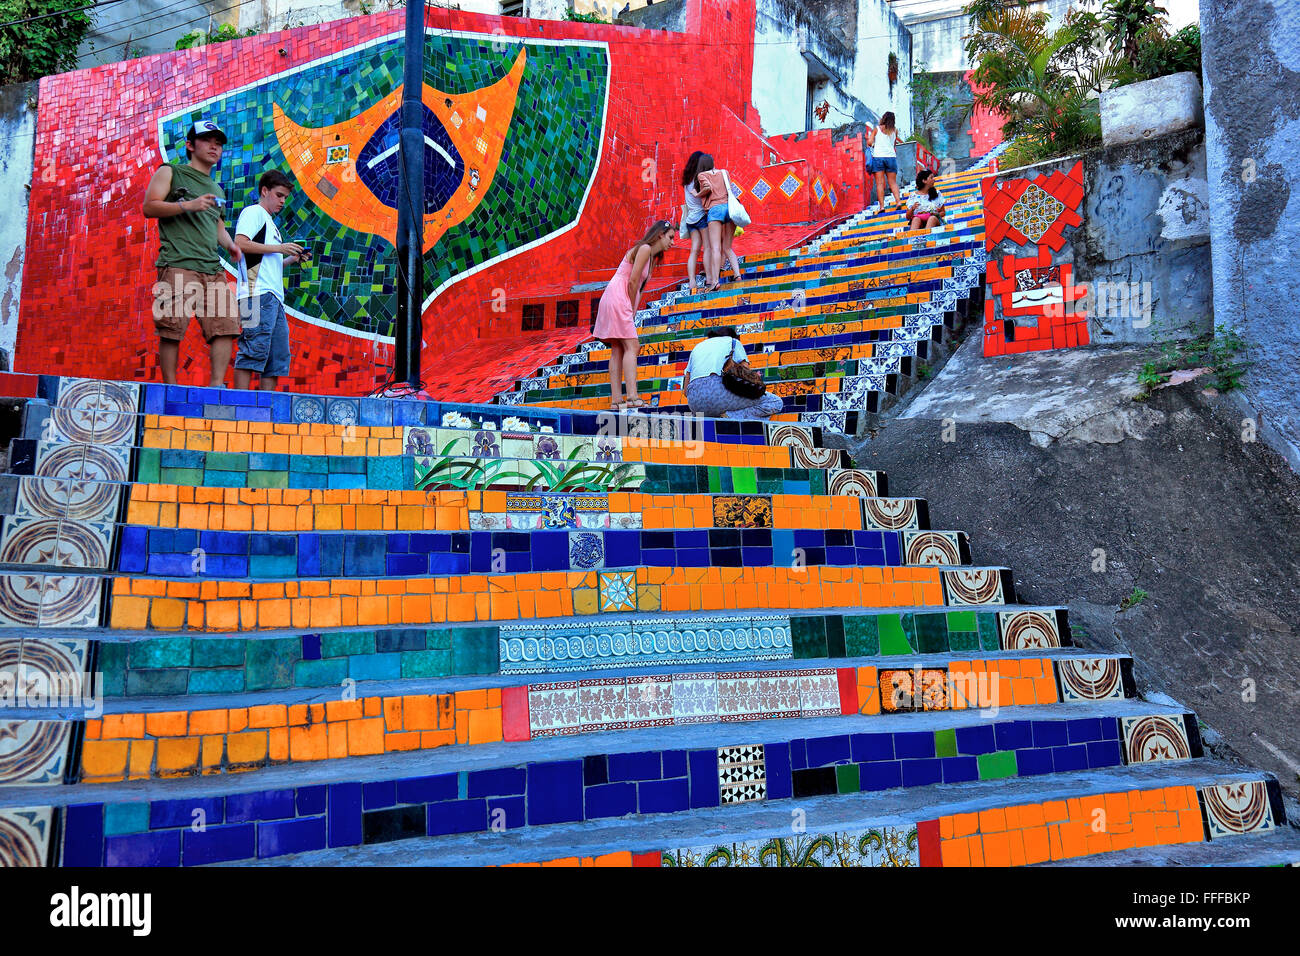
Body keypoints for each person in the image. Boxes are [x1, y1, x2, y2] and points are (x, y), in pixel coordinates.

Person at [143, 119, 244, 386]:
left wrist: (230, 245)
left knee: (226, 326)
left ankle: (216, 387)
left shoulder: (216, 189)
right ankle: (170, 388)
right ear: (189, 145)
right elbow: (150, 207)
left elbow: (217, 225)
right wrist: (187, 205)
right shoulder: (171, 171)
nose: (215, 146)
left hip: (212, 268)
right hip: (178, 263)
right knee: (171, 329)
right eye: (208, 140)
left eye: (219, 143)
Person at [232, 170, 309, 390]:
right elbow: (240, 244)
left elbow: (266, 263)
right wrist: (280, 247)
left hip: (272, 297)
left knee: (276, 359)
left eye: (285, 197)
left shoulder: (269, 222)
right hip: (255, 295)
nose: (283, 201)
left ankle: (265, 410)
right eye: (279, 195)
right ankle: (240, 406)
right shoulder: (254, 212)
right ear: (264, 191)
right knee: (251, 351)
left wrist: (290, 259)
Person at [593, 220, 676, 410]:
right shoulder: (645, 248)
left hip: (614, 296)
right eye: (670, 237)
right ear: (660, 234)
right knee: (633, 346)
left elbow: (637, 287)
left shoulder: (650, 256)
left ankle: (616, 401)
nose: (672, 242)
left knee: (618, 348)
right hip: (619, 296)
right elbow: (632, 282)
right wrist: (629, 308)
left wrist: (633, 310)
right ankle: (631, 397)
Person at [684, 326, 784, 420]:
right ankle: (731, 416)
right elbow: (746, 375)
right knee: (775, 402)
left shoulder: (697, 347)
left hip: (695, 405)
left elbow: (685, 391)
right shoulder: (733, 342)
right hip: (719, 396)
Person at [694, 154, 743, 293]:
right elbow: (730, 190)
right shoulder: (725, 172)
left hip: (715, 210)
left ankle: (715, 281)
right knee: (727, 247)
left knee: (716, 247)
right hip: (729, 208)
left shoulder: (702, 175)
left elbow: (707, 188)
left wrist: (697, 195)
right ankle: (737, 275)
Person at [681, 151, 714, 294]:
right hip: (701, 217)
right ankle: (709, 278)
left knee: (694, 250)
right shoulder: (699, 179)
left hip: (690, 220)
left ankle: (692, 281)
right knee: (707, 247)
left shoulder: (686, 180)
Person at [866, 111, 902, 213]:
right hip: (891, 157)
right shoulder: (895, 131)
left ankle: (882, 207)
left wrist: (870, 140)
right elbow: (893, 145)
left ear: (884, 118)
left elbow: (869, 143)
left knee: (880, 184)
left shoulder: (877, 129)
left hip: (878, 158)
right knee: (893, 182)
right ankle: (898, 202)